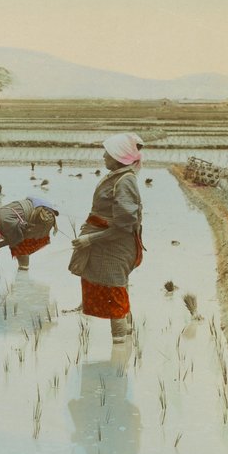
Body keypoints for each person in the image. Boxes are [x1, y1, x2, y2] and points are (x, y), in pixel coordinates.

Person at [69, 132, 145, 344]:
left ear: (118, 156)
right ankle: (126, 338)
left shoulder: (124, 181)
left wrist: (89, 239)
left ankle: (119, 349)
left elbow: (124, 226)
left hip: (114, 247)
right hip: (108, 244)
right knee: (118, 289)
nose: (103, 156)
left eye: (107, 153)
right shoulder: (117, 176)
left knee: (115, 291)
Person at [0, 196, 59, 271]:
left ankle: (23, 276)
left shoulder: (3, 220)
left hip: (43, 216)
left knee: (20, 248)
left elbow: (18, 238)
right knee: (13, 239)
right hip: (28, 213)